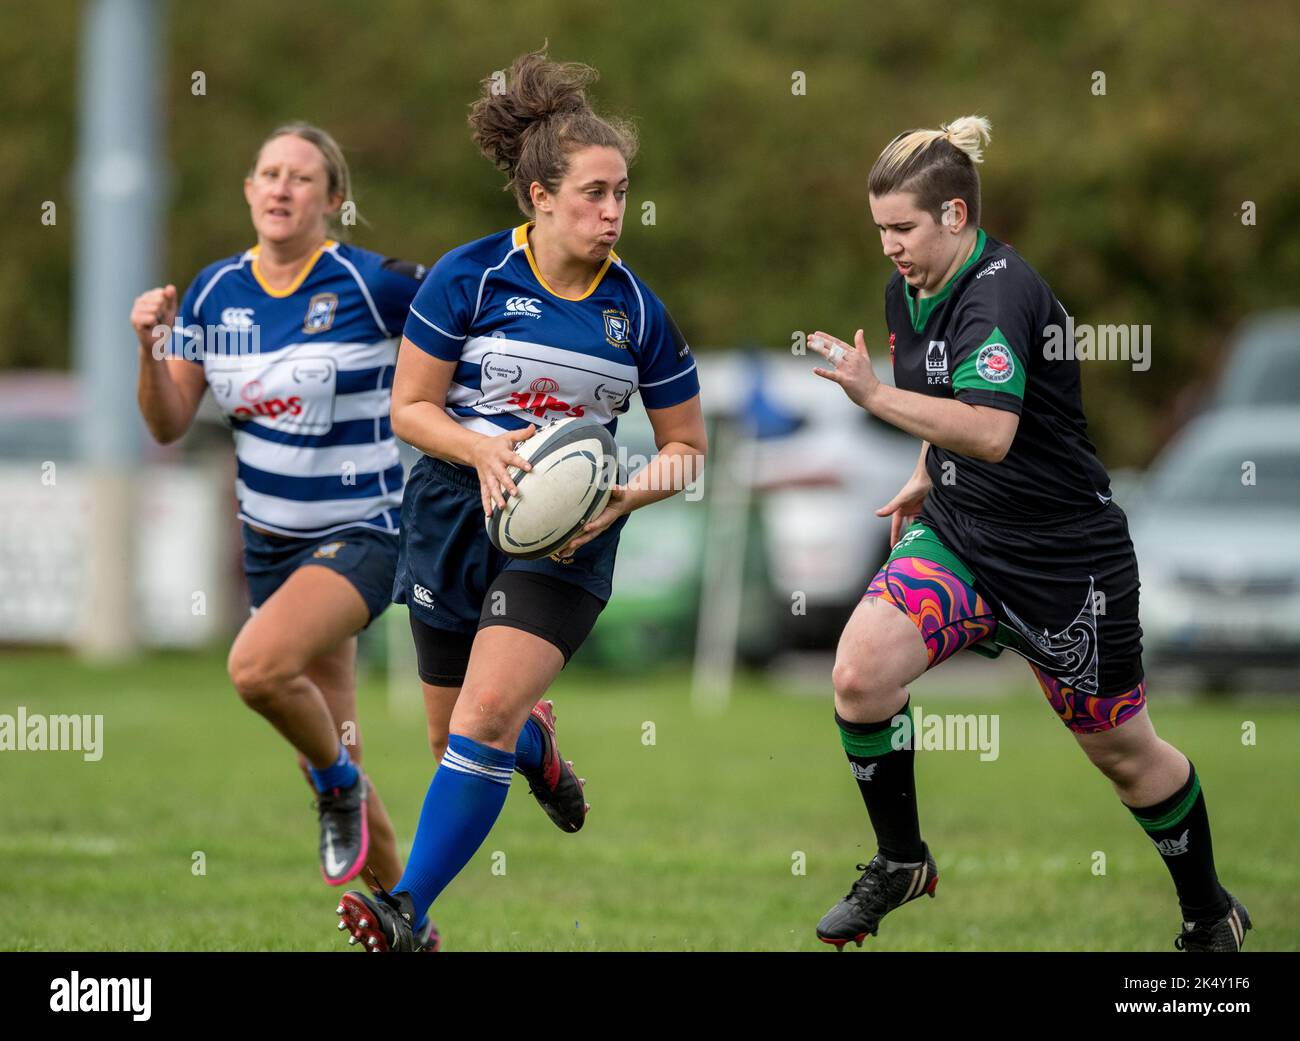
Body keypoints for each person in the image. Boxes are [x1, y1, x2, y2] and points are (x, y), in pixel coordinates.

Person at [806, 116, 1249, 952]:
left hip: (1065, 562)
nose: (890, 248)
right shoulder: (907, 288)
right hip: (964, 537)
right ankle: (900, 860)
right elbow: (952, 418)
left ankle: (1206, 910)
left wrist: (873, 398)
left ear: (956, 217)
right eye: (880, 231)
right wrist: (924, 471)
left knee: (1124, 753)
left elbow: (992, 430)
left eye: (902, 229)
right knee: (860, 674)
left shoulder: (1001, 290)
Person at [334, 50, 706, 952]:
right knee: (454, 741)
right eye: (593, 193)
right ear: (538, 198)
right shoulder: (468, 278)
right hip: (452, 512)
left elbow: (689, 450)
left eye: (621, 192)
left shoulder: (637, 314)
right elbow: (410, 409)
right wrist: (479, 447)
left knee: (482, 717)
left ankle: (404, 911)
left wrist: (620, 500)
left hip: (568, 539)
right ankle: (539, 754)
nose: (613, 212)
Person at [132, 122, 440, 950]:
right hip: (269, 546)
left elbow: (454, 324)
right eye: (267, 173)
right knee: (329, 741)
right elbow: (167, 422)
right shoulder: (213, 292)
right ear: (247, 190)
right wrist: (147, 347)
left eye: (301, 178)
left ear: (333, 200)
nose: (280, 188)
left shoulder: (370, 283)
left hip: (362, 533)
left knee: (255, 667)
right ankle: (412, 925)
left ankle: (337, 787)